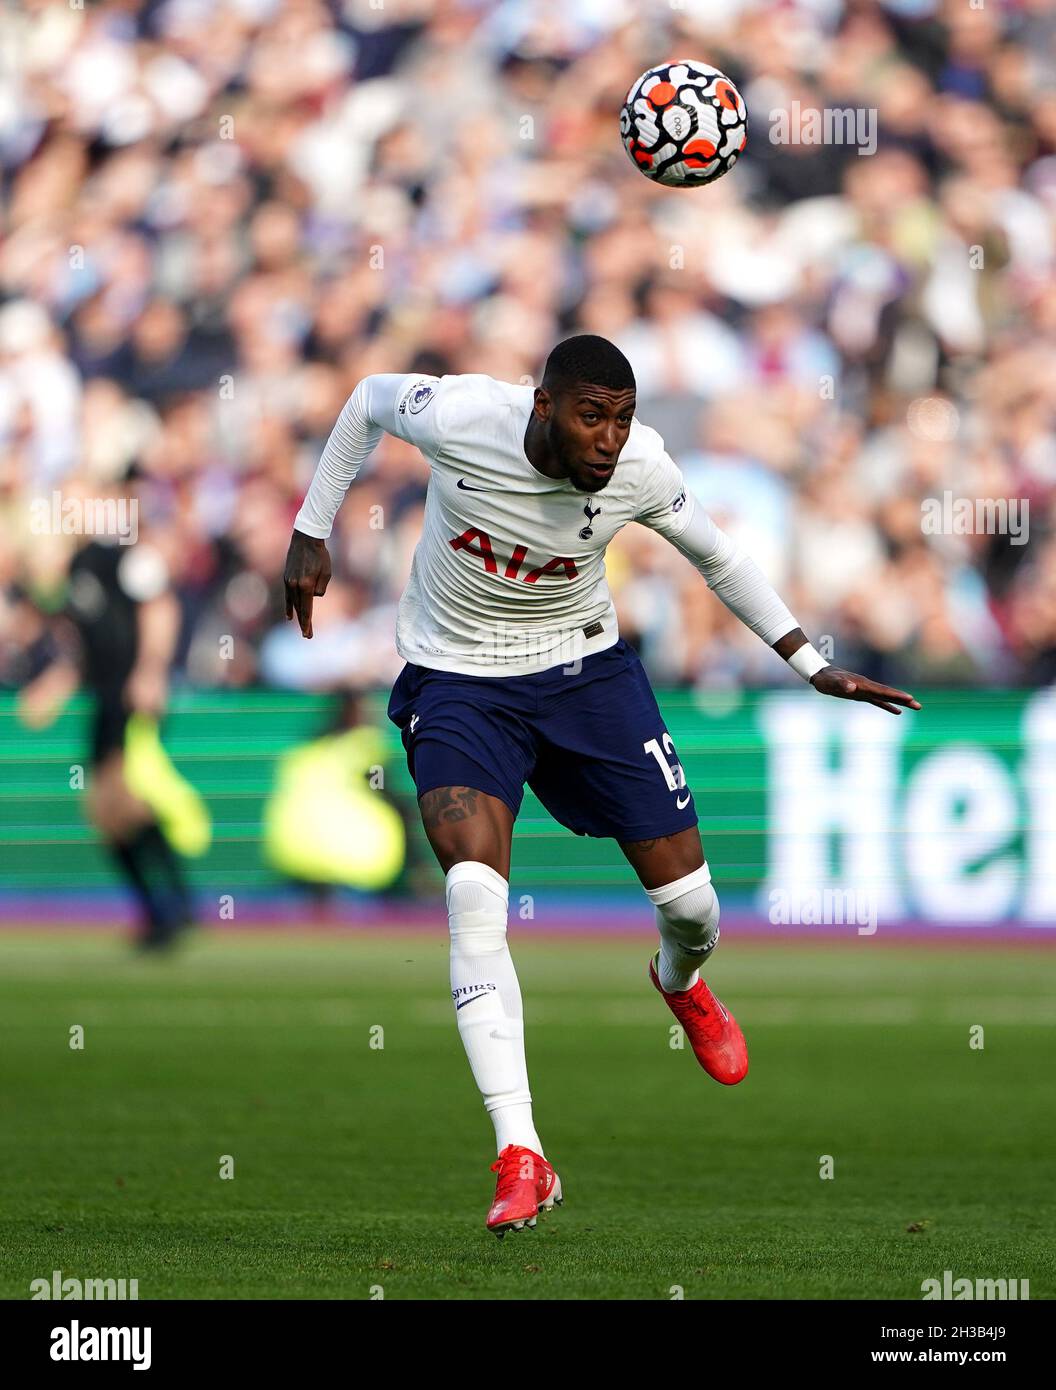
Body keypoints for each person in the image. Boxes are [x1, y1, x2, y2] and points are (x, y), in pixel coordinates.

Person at [283, 335, 921, 1236]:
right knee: (472, 897)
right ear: (543, 406)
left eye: (622, 419)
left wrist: (811, 664)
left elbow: (720, 558)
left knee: (695, 908)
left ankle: (680, 982)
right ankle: (521, 1152)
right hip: (459, 681)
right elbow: (364, 399)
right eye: (592, 416)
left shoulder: (643, 468)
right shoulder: (465, 416)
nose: (610, 439)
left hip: (586, 677)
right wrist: (311, 529)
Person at [19, 476, 200, 950]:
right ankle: (165, 907)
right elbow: (84, 648)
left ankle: (173, 907)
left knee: (119, 799)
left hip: (129, 695)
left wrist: (152, 671)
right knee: (107, 810)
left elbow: (159, 608)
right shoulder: (77, 566)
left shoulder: (122, 554)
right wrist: (54, 688)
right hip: (106, 697)